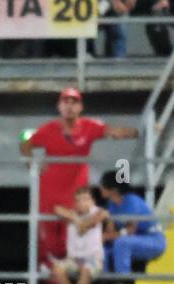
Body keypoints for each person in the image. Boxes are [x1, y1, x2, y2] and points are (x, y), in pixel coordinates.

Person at [21, 88, 137, 264]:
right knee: (48, 241)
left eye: (73, 102)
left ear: (80, 107)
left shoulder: (90, 127)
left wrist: (141, 131)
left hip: (76, 190)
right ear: (59, 106)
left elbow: (115, 132)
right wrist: (32, 166)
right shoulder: (48, 129)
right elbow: (26, 145)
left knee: (73, 238)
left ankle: (76, 281)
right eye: (65, 102)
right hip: (49, 191)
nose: (69, 106)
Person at [54, 186, 107, 284]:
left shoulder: (98, 213)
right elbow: (57, 209)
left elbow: (89, 224)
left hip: (93, 260)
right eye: (78, 200)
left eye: (85, 199)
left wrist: (80, 222)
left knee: (86, 268)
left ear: (92, 201)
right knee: (57, 267)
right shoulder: (72, 214)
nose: (81, 203)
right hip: (74, 259)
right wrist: (76, 219)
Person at [99, 169, 167, 276]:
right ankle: (105, 281)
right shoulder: (112, 204)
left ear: (114, 189)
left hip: (153, 240)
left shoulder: (132, 201)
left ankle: (123, 282)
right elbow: (110, 230)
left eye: (103, 185)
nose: (100, 188)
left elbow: (131, 230)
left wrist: (107, 236)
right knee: (103, 247)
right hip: (133, 239)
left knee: (122, 242)